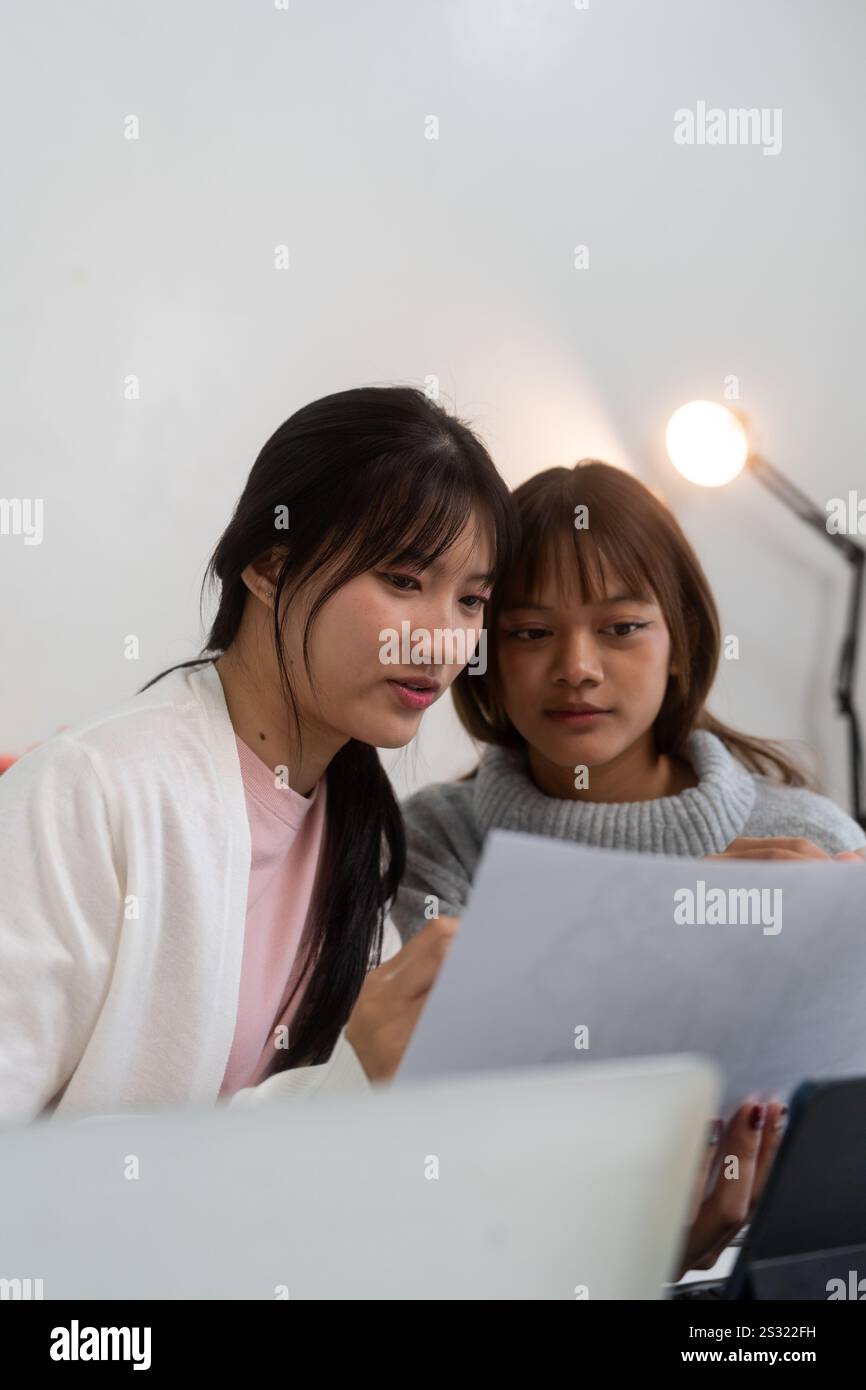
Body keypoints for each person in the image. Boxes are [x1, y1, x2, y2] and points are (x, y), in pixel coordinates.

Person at [392, 459, 866, 1274]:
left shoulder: (807, 837)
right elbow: (432, 1131)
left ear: (679, 641)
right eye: (531, 632)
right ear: (483, 658)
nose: (577, 666)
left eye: (621, 628)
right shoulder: (430, 845)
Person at [0, 385, 513, 1124]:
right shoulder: (88, 793)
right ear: (270, 569)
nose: (439, 641)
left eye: (470, 601)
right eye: (403, 581)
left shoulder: (358, 835)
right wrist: (351, 1078)